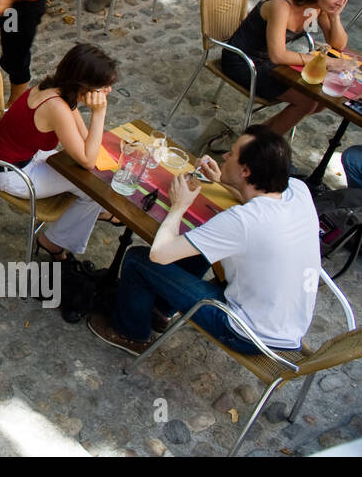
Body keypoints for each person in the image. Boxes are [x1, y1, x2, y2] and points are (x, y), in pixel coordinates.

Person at [89, 126, 320, 357]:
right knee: (203, 240)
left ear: (246, 171)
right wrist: (224, 182)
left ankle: (130, 333)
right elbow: (253, 198)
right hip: (286, 325)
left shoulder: (243, 221)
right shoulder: (297, 190)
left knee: (138, 260)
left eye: (232, 154)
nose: (225, 157)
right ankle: (160, 309)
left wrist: (179, 206)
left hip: (247, 334)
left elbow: (159, 254)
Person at [0, 42, 116, 258]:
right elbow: (87, 159)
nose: (108, 91)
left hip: (19, 159)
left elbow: (86, 140)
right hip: (15, 175)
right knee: (99, 188)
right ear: (84, 86)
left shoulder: (56, 89)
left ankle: (95, 210)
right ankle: (51, 242)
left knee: (96, 182)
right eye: (103, 88)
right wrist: (99, 113)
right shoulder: (56, 107)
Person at [220, 0, 353, 135]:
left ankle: (257, 138)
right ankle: (257, 147)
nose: (341, 1)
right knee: (307, 102)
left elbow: (338, 44)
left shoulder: (320, 6)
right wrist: (325, 61)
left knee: (322, 100)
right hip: (243, 62)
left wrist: (335, 16)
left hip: (268, 62)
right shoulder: (281, 5)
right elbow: (278, 56)